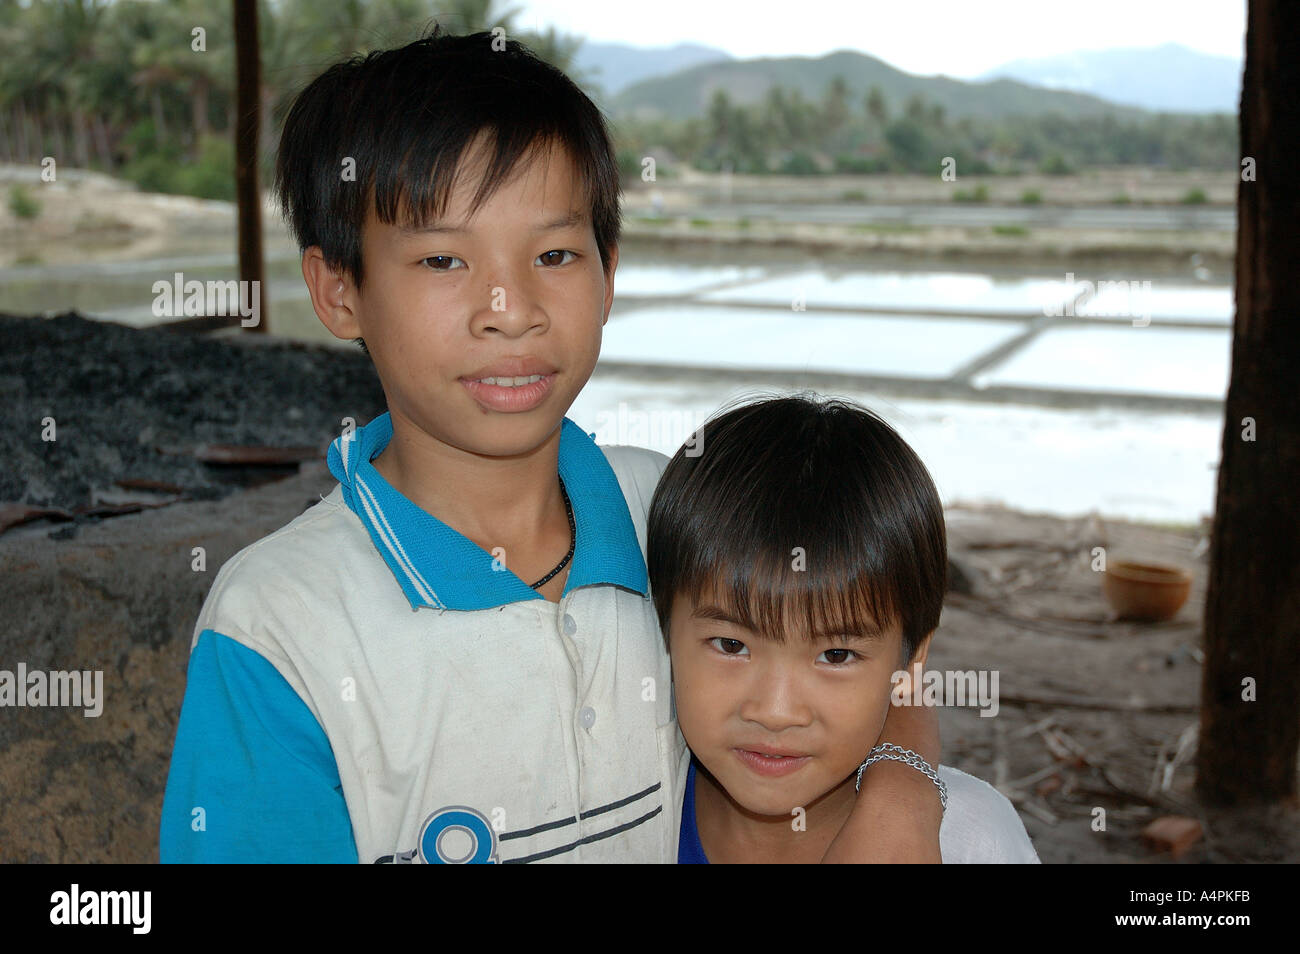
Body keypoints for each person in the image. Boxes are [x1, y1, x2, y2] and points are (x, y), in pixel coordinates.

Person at [159, 28, 940, 863]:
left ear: (608, 273)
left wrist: (901, 796)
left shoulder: (664, 508)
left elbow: (874, 630)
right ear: (339, 290)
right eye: (442, 259)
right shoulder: (280, 625)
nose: (510, 307)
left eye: (555, 254)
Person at [646, 393, 1041, 863]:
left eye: (836, 656)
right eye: (731, 645)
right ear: (664, 628)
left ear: (910, 664)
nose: (775, 712)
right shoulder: (622, 817)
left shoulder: (970, 840)